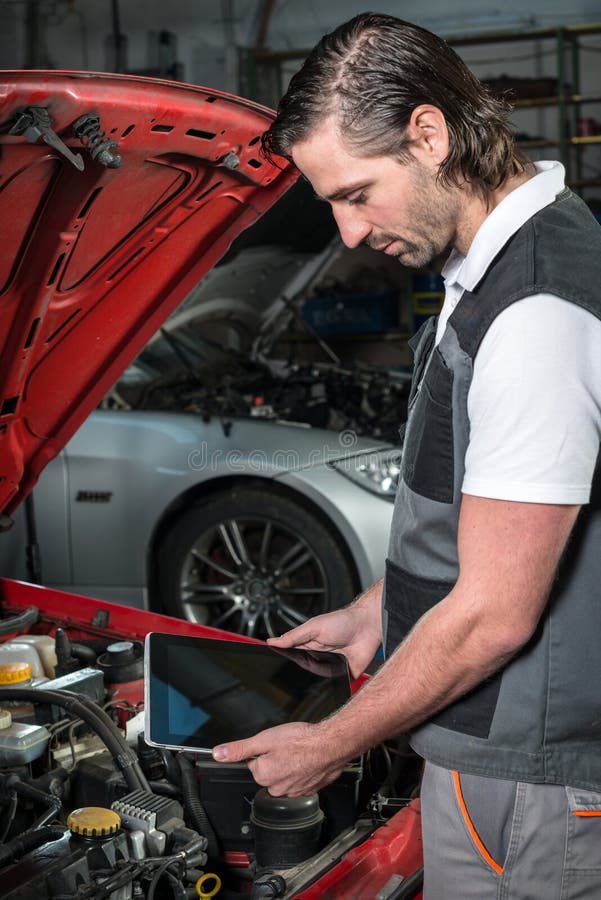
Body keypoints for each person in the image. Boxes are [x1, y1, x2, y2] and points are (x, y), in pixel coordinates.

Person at [212, 13, 601, 897]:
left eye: (357, 194)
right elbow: (495, 532)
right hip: (491, 752)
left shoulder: (534, 315)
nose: (348, 233)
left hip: (525, 782)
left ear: (428, 135)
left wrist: (329, 744)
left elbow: (494, 615)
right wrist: (375, 616)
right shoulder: (498, 270)